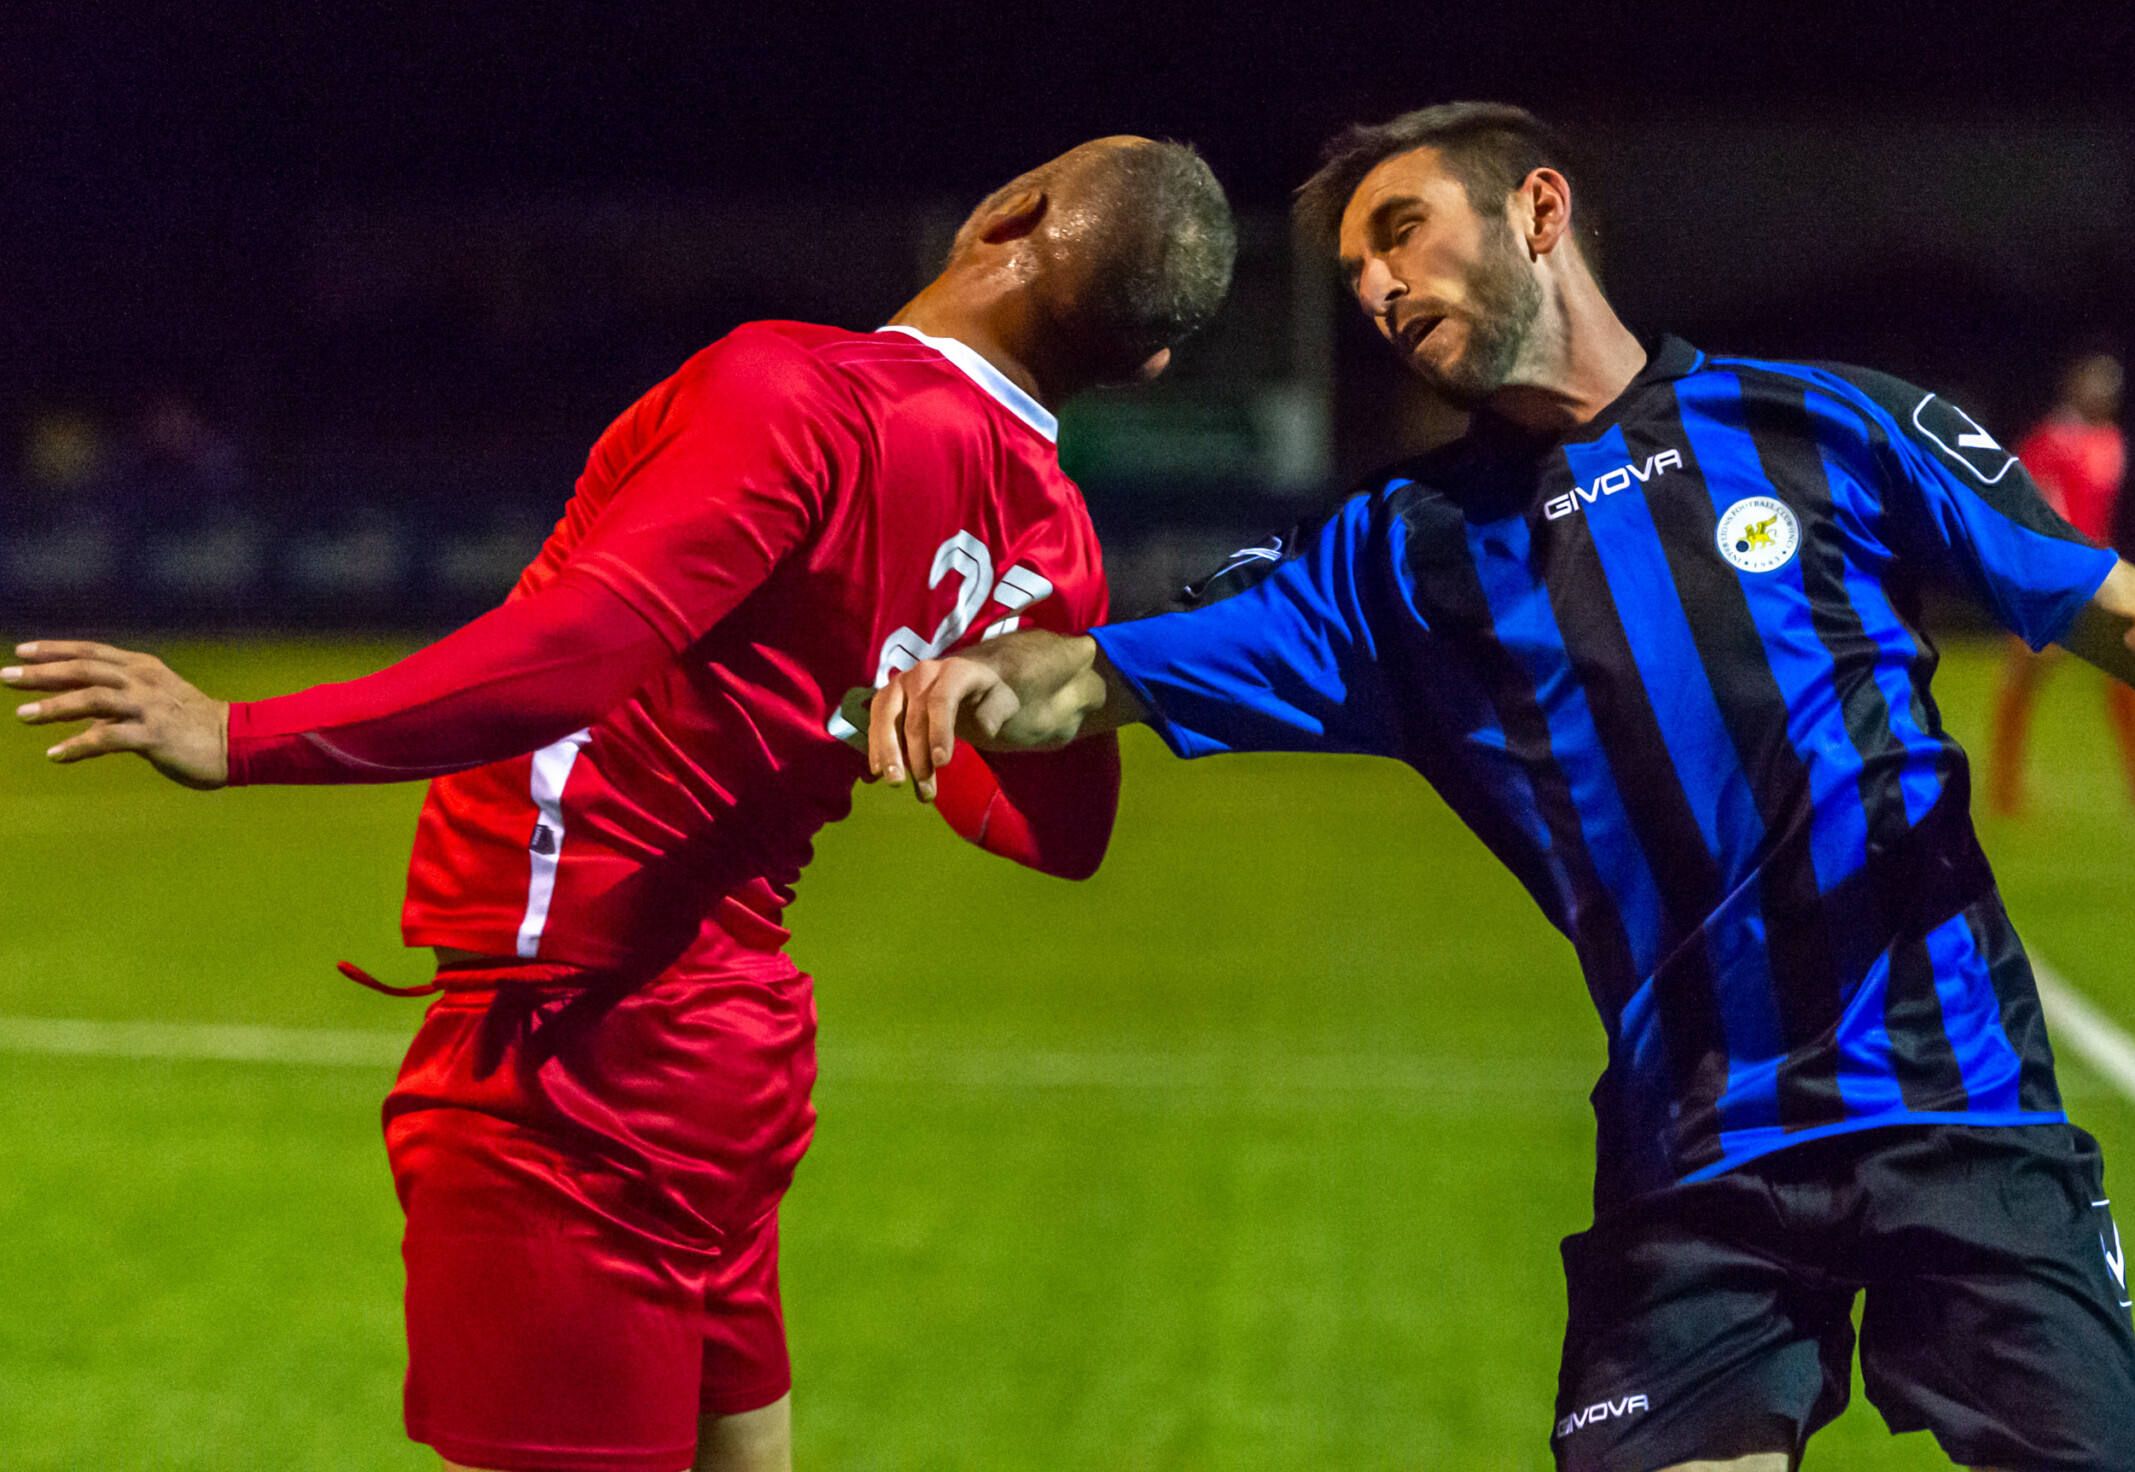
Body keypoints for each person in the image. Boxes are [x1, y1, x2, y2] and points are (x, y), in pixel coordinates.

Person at [867, 103, 2135, 1472]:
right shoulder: (1399, 553)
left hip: (1961, 1108)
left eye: (1400, 237)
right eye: (1355, 276)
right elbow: (1106, 674)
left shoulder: (1826, 426)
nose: (1378, 291)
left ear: (1538, 212)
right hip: (1696, 1155)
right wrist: (987, 677)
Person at [4, 137, 1235, 1472]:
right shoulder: (1052, 531)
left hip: (573, 1062)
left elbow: (584, 651)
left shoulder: (804, 386)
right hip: (726, 1052)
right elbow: (1060, 834)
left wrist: (239, 734)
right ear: (1147, 358)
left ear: (1011, 211)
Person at [1985, 352, 2135, 816]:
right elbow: (2029, 508)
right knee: (2025, 671)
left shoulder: (2109, 439)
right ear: (2073, 388)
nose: (2104, 396)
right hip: (2050, 576)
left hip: (2097, 575)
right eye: (2095, 387)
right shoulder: (2047, 441)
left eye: (2110, 388)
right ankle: (2003, 787)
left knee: (2132, 668)